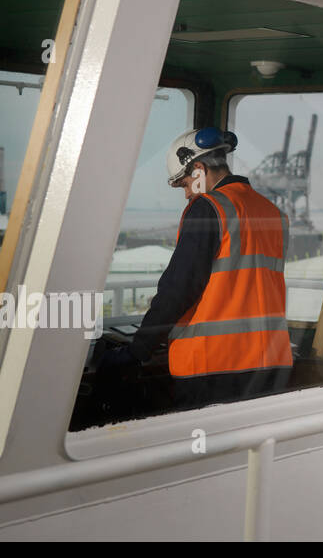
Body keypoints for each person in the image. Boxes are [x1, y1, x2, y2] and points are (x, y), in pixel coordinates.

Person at [103, 127, 293, 410]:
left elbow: (179, 287)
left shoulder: (209, 207)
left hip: (212, 367)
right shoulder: (273, 212)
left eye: (184, 183)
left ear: (200, 170)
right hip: (270, 364)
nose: (185, 194)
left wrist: (138, 350)